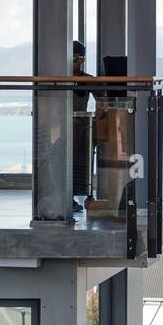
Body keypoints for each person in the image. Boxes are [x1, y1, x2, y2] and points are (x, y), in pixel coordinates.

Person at [72, 40, 94, 212]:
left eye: (74, 58)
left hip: (80, 128)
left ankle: (75, 193)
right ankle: (67, 195)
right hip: (65, 130)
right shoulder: (57, 79)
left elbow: (103, 99)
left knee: (80, 162)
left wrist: (99, 114)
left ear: (82, 60)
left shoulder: (87, 80)